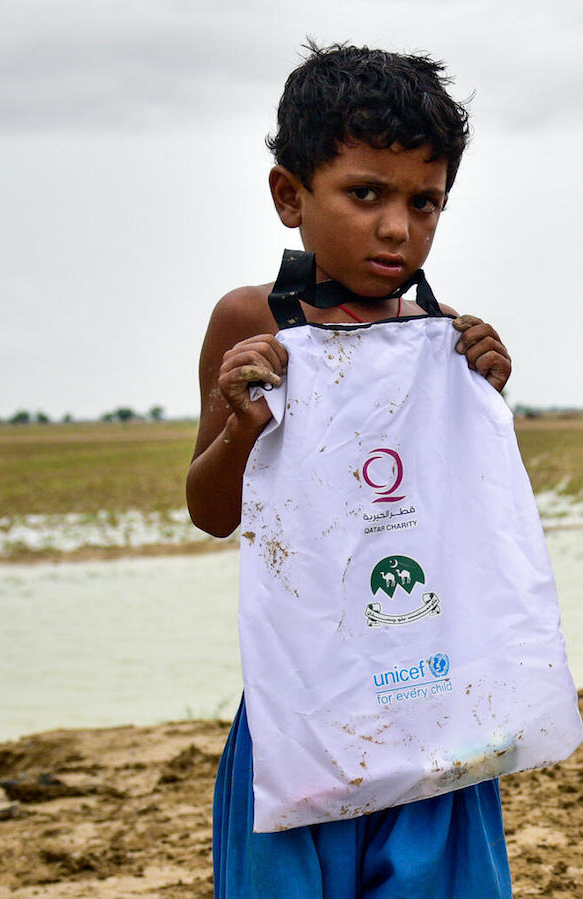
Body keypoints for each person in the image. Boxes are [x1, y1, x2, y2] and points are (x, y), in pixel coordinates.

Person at [186, 43, 513, 897]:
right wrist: (242, 425)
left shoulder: (439, 338)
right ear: (290, 195)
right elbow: (211, 510)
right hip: (302, 705)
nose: (397, 226)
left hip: (432, 697)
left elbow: (475, 524)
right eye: (365, 193)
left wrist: (486, 390)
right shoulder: (252, 321)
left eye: (424, 201)